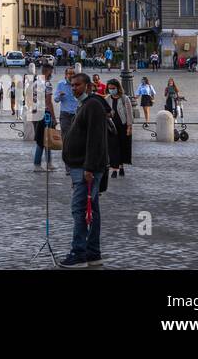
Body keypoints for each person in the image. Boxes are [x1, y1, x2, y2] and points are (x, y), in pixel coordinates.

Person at [59, 73, 109, 268]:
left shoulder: (93, 106)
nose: (74, 89)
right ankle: (93, 253)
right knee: (92, 210)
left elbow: (95, 139)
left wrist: (89, 167)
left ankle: (79, 253)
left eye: (77, 85)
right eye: (72, 85)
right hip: (80, 167)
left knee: (79, 210)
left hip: (86, 169)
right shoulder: (84, 105)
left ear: (88, 86)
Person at [105, 78, 132, 178]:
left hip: (123, 125)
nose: (111, 90)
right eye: (110, 88)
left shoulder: (125, 98)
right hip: (112, 126)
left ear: (118, 88)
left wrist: (129, 127)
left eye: (113, 88)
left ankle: (121, 166)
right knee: (113, 147)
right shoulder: (107, 98)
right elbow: (105, 112)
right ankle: (114, 169)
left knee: (122, 146)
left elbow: (129, 113)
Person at [32, 64, 56, 172]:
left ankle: (49, 162)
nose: (52, 74)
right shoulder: (48, 84)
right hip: (45, 114)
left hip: (35, 113)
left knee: (42, 139)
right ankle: (38, 164)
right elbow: (49, 102)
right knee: (45, 139)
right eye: (51, 72)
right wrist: (54, 118)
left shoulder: (35, 82)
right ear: (48, 72)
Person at [54, 67, 78, 138]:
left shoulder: (78, 84)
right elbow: (56, 99)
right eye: (70, 73)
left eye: (73, 73)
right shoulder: (61, 84)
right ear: (66, 75)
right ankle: (65, 149)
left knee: (76, 135)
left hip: (76, 114)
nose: (72, 75)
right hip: (65, 115)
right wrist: (60, 95)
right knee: (65, 135)